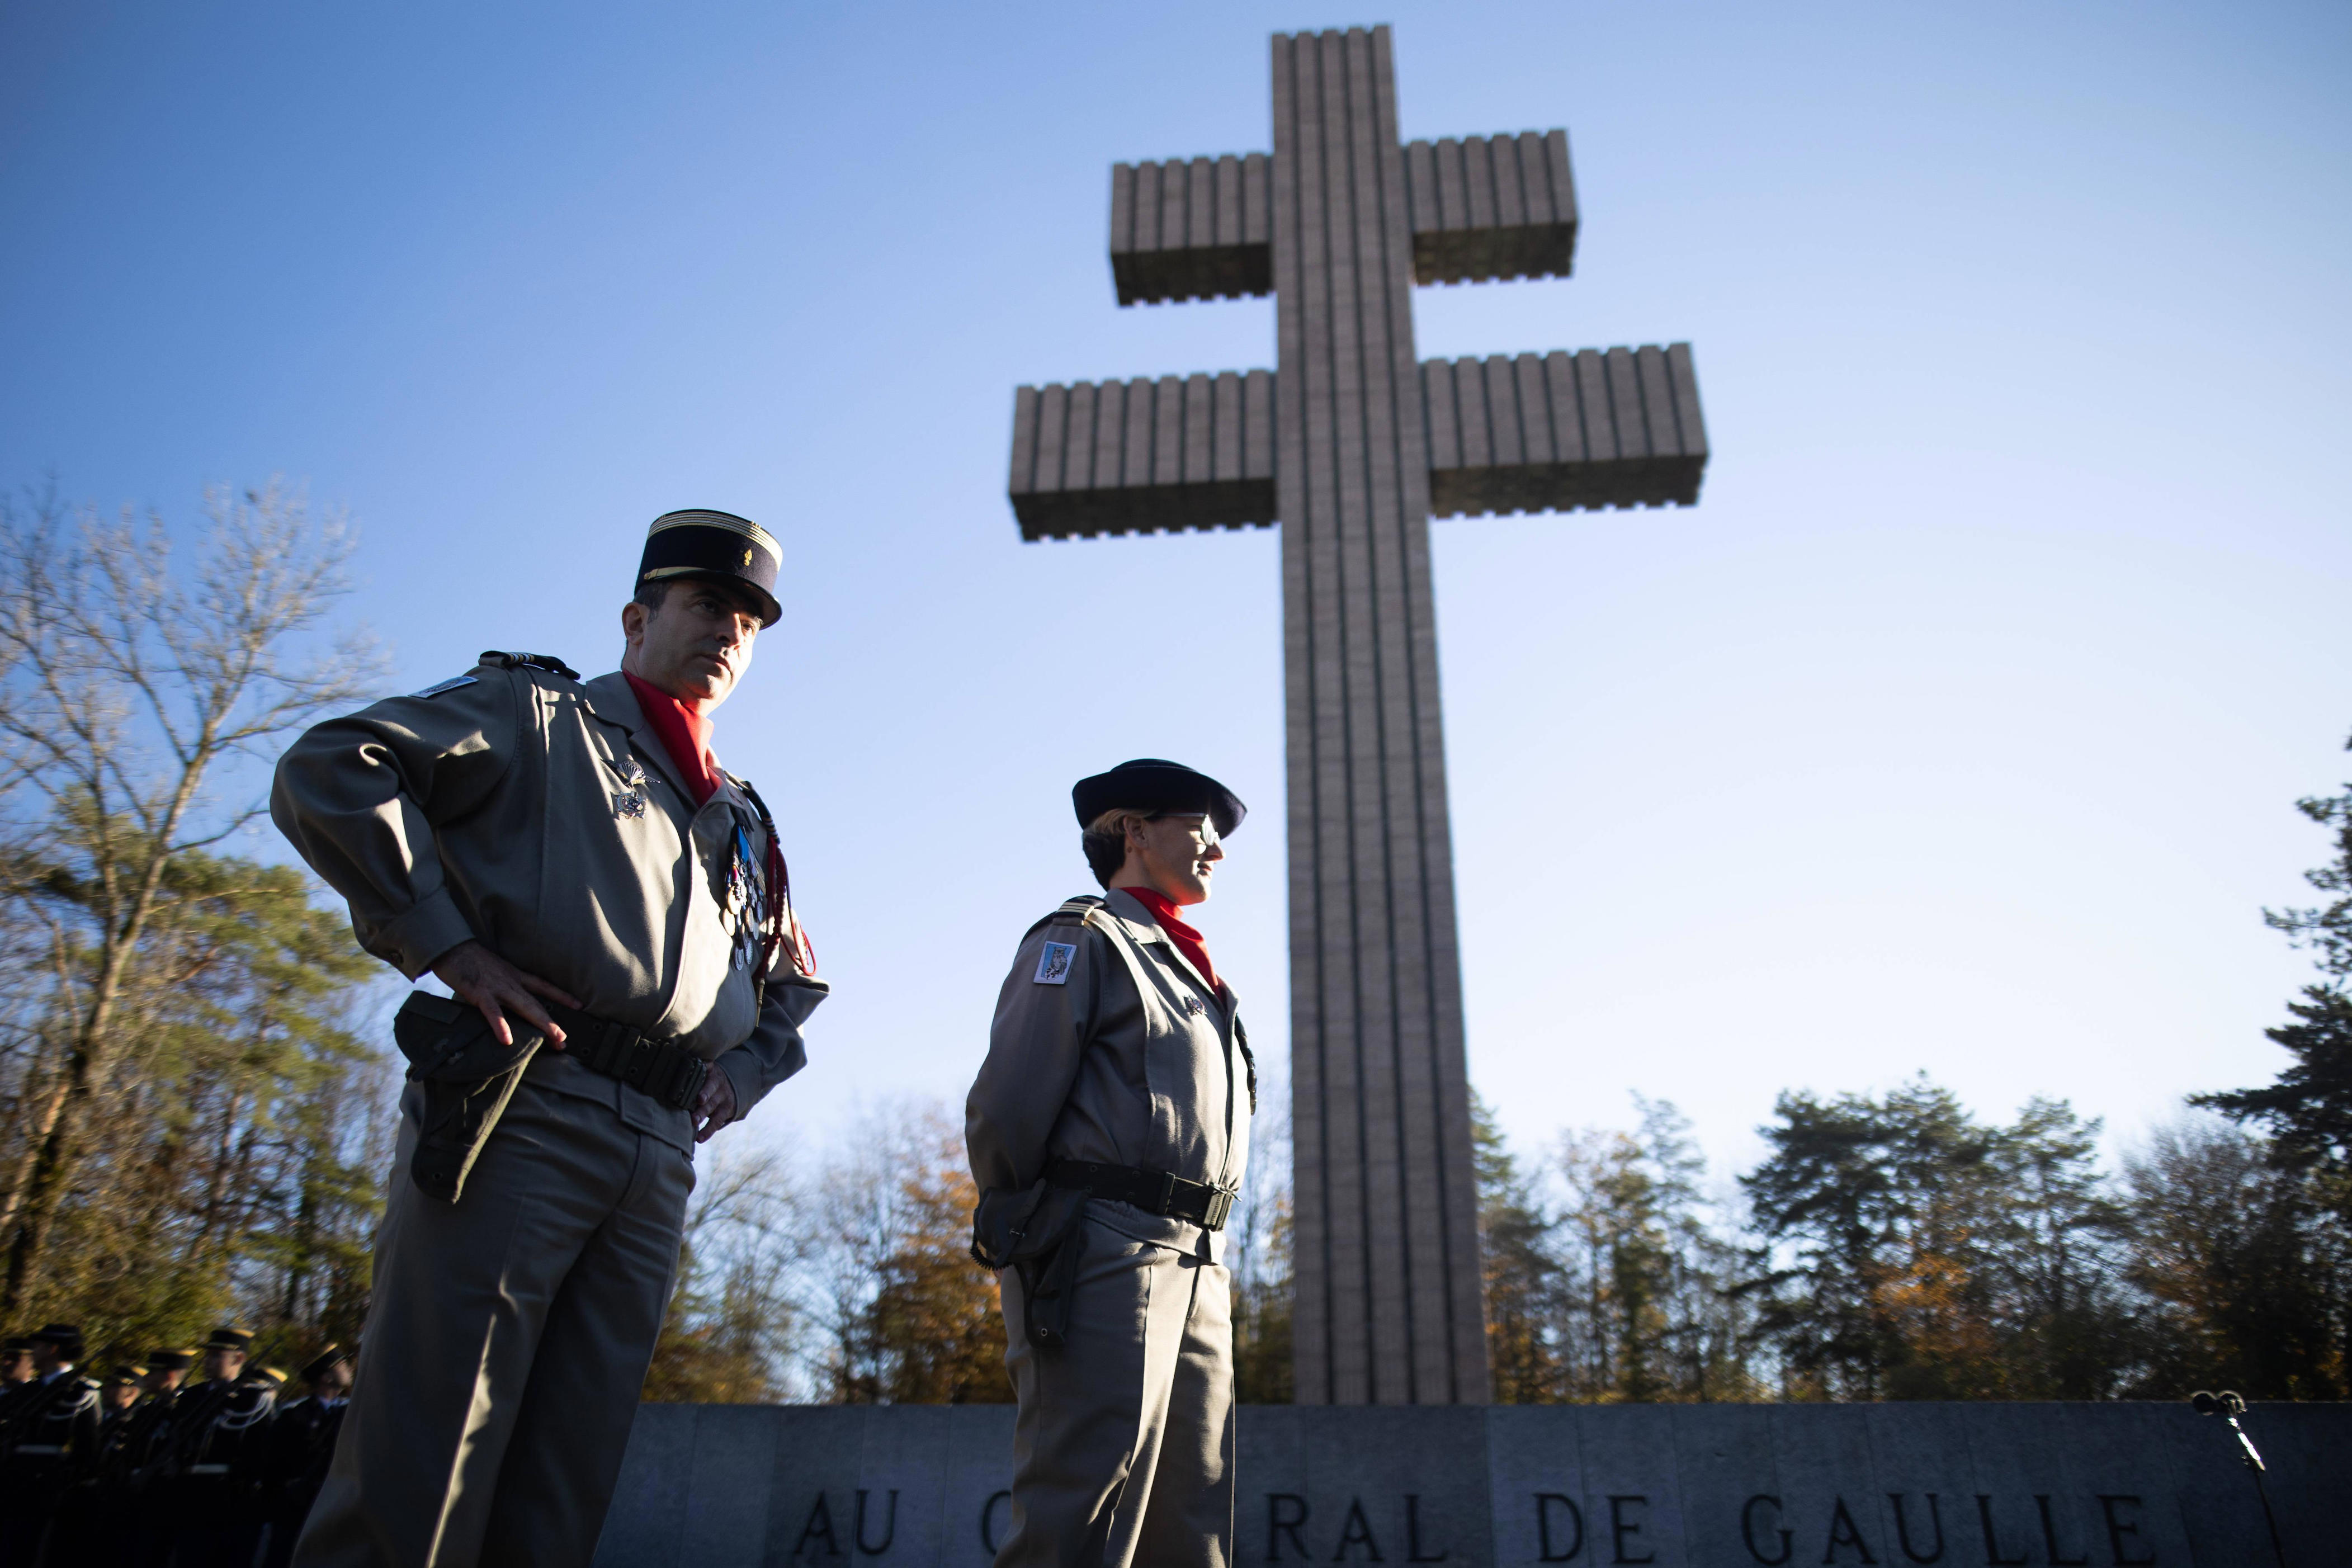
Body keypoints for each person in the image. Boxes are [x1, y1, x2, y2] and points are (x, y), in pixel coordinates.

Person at [272, 508, 828, 1568]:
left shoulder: (743, 815)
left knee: (565, 1480)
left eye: (750, 621)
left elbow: (794, 971)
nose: (729, 632)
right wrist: (446, 942)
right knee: (427, 1461)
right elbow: (334, 765)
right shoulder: (540, 713)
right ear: (636, 617)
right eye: (708, 604)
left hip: (660, 1147)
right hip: (527, 1099)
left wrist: (743, 1071)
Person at [966, 758, 1256, 1568]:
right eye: (1200, 825)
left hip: (1199, 1260)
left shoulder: (1197, 971)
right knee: (1081, 1520)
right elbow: (1006, 1107)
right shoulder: (1084, 939)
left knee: (1188, 1528)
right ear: (1132, 830)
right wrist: (1038, 1233)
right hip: (1104, 1250)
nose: (1217, 851)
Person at [147, 1327, 276, 1568]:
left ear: (238, 1359)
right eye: (208, 1355)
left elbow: (259, 1449)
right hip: (189, 1496)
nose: (208, 1361)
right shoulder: (191, 1396)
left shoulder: (254, 1399)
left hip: (228, 1497)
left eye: (217, 1356)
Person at [0, 1324, 100, 1566]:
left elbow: (87, 1448)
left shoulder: (82, 1392)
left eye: (37, 1346)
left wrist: (69, 1482)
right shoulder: (26, 1391)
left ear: (53, 1349)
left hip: (51, 1483)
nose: (32, 1351)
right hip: (13, 1478)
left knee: (40, 1551)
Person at [259, 1347, 351, 1568]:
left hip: (335, 1504)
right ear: (326, 1376)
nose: (349, 1369)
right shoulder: (294, 1415)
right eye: (343, 1365)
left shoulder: (350, 1412)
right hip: (296, 1507)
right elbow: (274, 1462)